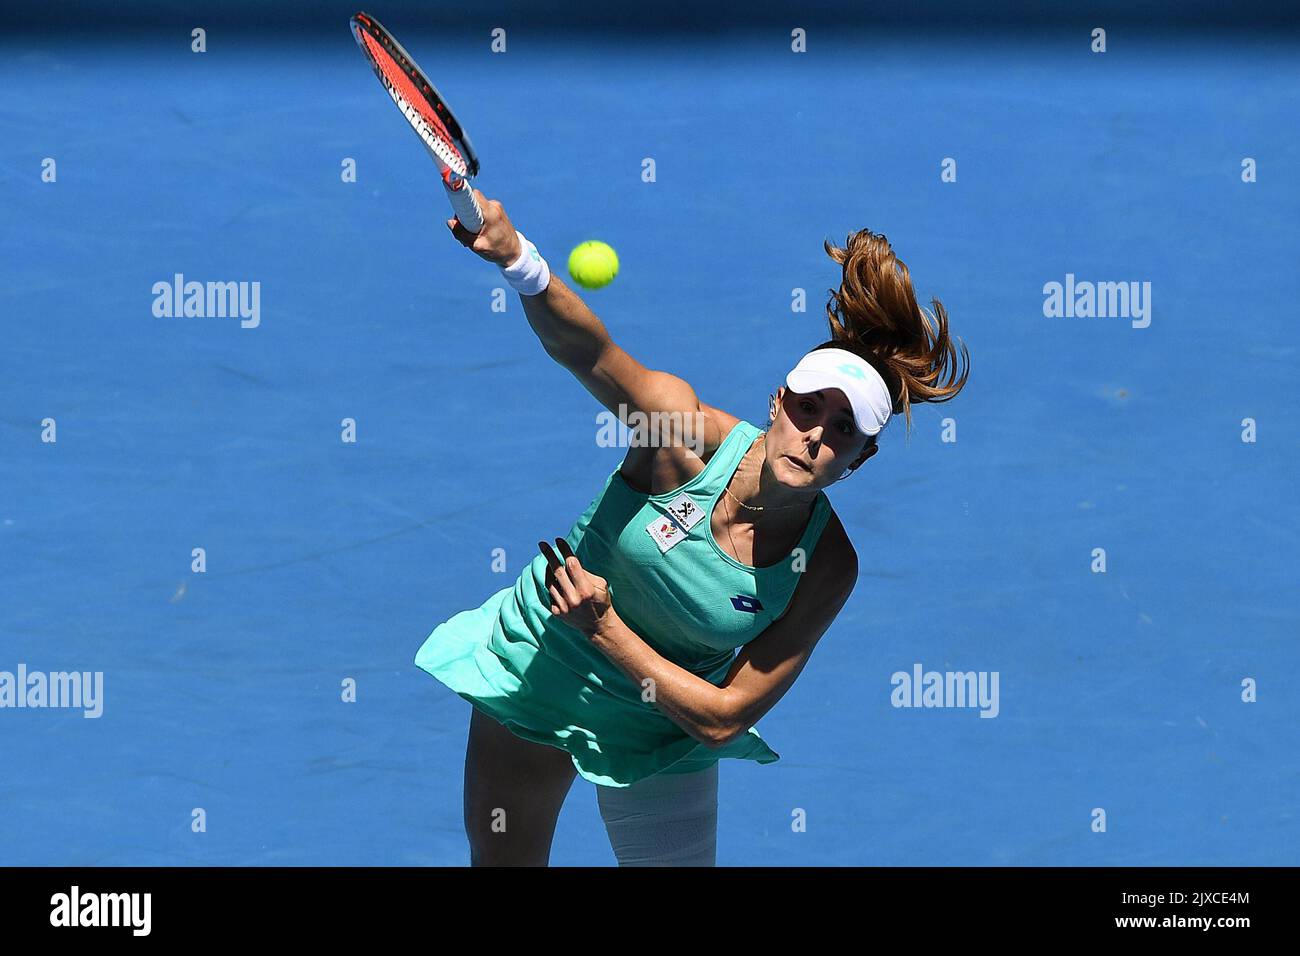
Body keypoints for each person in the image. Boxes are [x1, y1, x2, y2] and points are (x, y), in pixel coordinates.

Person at [416, 189, 970, 866]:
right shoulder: (678, 437)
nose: (816, 435)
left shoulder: (826, 565)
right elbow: (589, 353)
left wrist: (606, 629)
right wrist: (518, 259)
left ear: (861, 458)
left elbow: (724, 716)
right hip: (542, 669)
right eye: (807, 408)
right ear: (777, 400)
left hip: (663, 726)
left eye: (845, 430)